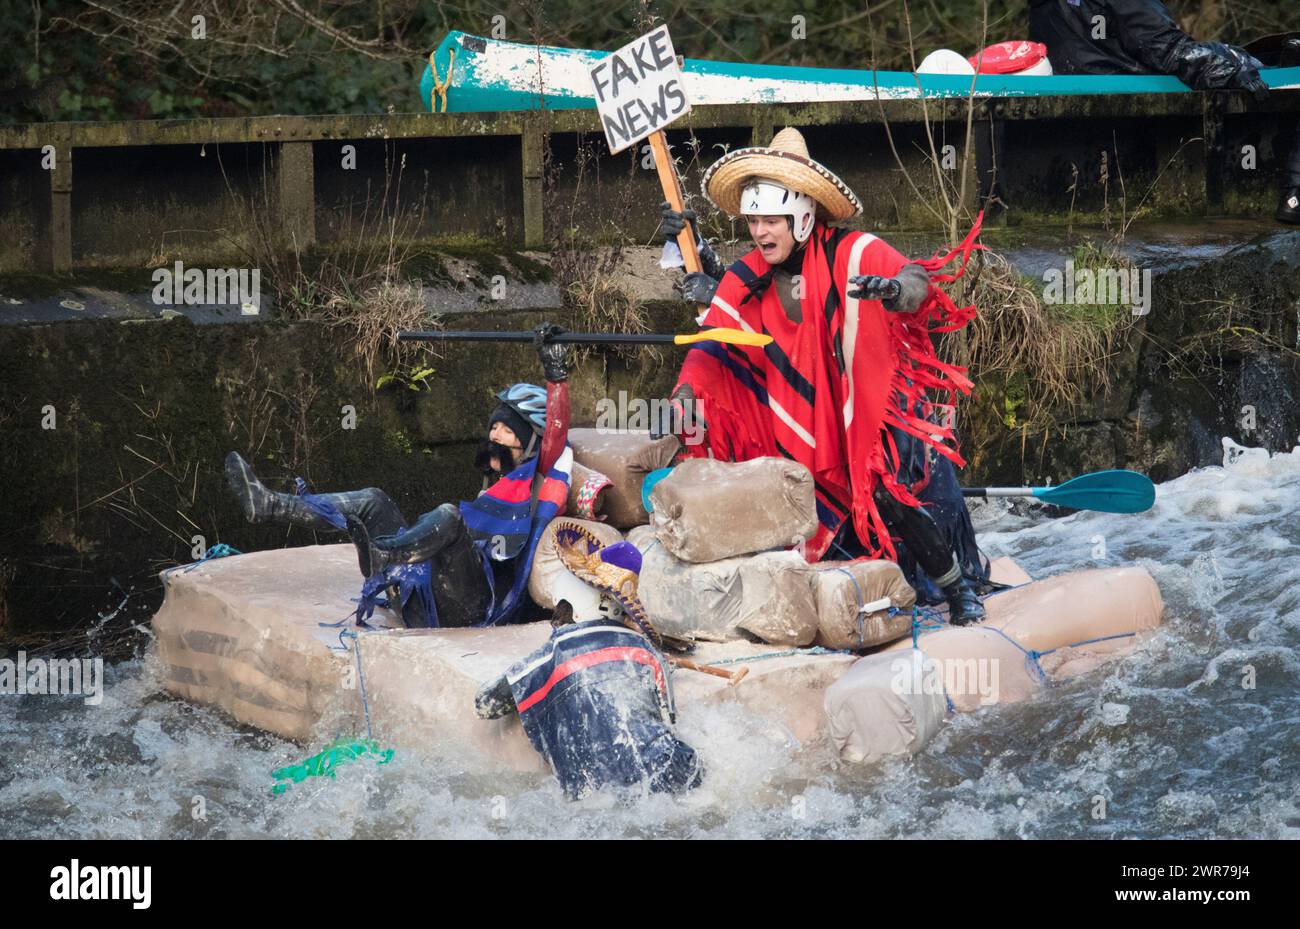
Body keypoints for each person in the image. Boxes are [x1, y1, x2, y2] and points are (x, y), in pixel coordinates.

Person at [658, 127, 989, 625]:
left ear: (804, 215)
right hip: (808, 416)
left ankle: (958, 588)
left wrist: (894, 290)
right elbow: (718, 343)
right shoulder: (749, 276)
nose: (761, 232)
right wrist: (687, 393)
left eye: (772, 220)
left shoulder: (854, 253)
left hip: (869, 404)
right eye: (753, 221)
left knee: (885, 484)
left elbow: (918, 283)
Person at [223, 323, 573, 628]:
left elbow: (555, 432)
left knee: (449, 517)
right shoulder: (496, 484)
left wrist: (555, 370)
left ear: (530, 444)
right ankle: (269, 505)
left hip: (473, 609)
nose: (494, 436)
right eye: (493, 427)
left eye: (507, 432)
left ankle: (386, 555)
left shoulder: (538, 474)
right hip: (422, 594)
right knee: (374, 501)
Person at [474, 522, 703, 799]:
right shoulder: (646, 651)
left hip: (600, 790)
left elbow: (486, 704)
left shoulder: (555, 651)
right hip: (674, 769)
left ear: (573, 603)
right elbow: (669, 716)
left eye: (561, 611)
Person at [1027, 0, 1299, 224]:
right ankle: (1294, 196)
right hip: (1132, 105)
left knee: (1231, 54)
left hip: (1080, 96)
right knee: (1249, 65)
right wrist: (1231, 71)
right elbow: (1170, 51)